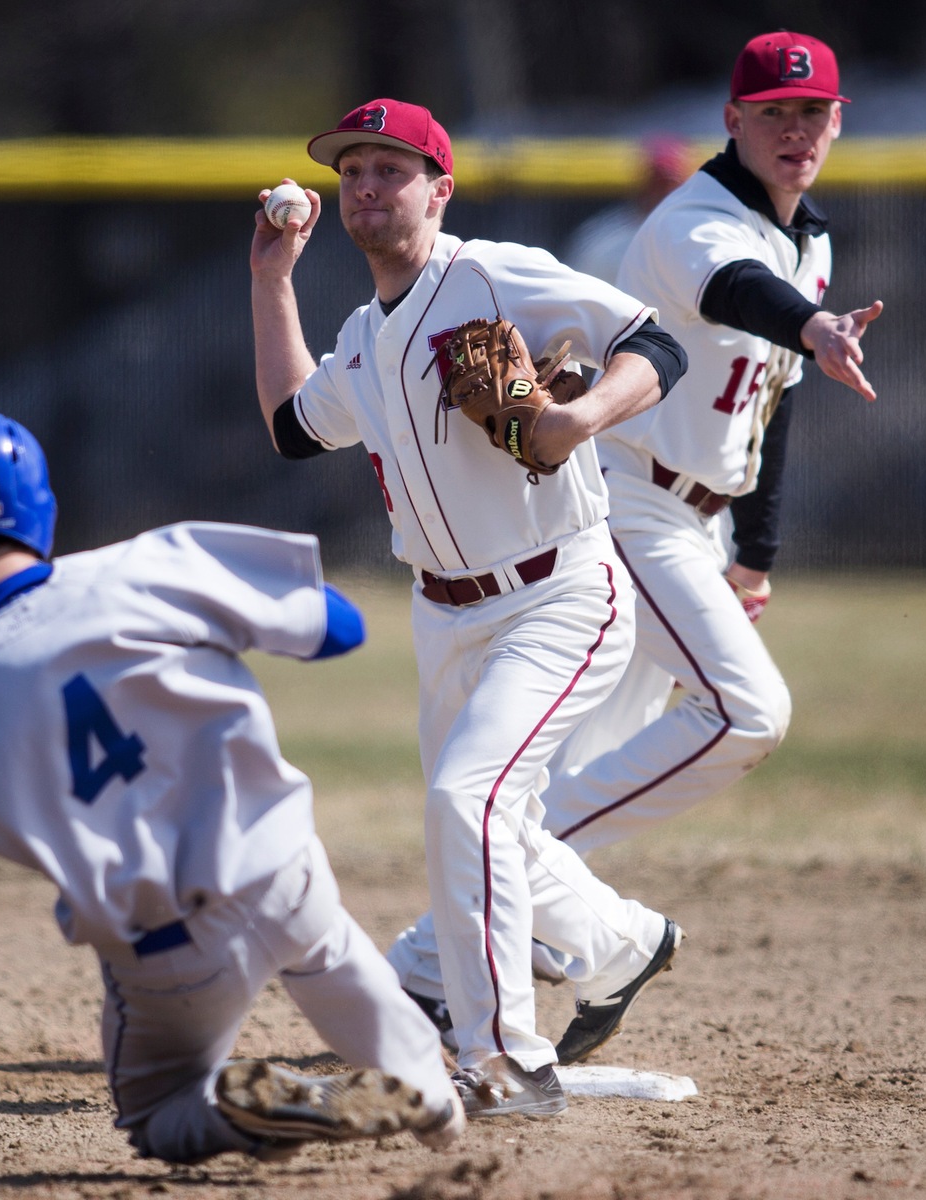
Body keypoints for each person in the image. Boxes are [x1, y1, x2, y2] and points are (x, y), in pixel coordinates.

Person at [0, 408, 462, 1164]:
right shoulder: (147, 567)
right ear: (41, 513)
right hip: (284, 872)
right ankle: (433, 1100)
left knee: (157, 1111)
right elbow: (337, 628)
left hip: (168, 953)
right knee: (327, 957)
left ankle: (256, 1106)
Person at [387, 31, 886, 1067]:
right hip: (629, 507)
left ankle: (435, 963)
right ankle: (604, 937)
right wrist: (817, 326)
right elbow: (742, 298)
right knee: (746, 713)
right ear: (733, 120)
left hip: (699, 524)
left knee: (541, 780)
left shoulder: (814, 240)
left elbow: (769, 408)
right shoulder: (693, 223)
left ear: (837, 123)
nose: (794, 131)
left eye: (813, 114)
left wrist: (758, 551)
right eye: (774, 113)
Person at [248, 98, 690, 1118]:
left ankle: (503, 1062)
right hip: (443, 617)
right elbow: (288, 427)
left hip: (559, 593)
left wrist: (576, 416)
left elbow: (653, 345)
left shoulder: (493, 275)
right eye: (352, 169)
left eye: (390, 170)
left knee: (465, 804)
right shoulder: (362, 337)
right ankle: (626, 946)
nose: (365, 185)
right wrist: (270, 280)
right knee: (502, 824)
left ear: (438, 191)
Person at [560, 135, 693, 288]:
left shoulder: (706, 238)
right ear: (642, 184)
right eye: (657, 183)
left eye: (671, 184)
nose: (663, 193)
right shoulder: (604, 243)